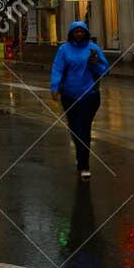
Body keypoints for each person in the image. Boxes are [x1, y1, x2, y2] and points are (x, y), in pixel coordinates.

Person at [49, 20, 109, 180]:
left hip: (89, 96)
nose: (79, 34)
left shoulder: (93, 49)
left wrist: (95, 65)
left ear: (86, 33)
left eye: (82, 31)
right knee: (75, 130)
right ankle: (81, 156)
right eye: (76, 32)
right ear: (71, 34)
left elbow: (105, 70)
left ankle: (84, 166)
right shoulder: (64, 50)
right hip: (69, 96)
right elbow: (57, 68)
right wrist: (54, 87)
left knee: (83, 129)